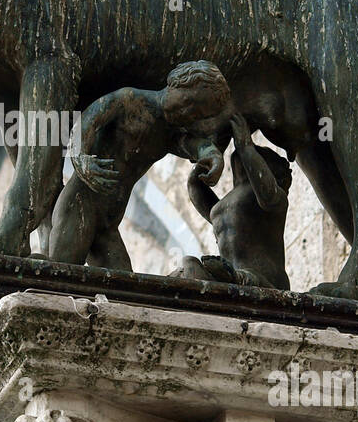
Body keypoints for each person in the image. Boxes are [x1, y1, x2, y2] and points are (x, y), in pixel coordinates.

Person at [48, 61, 235, 270]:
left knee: (123, 289)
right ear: (177, 83)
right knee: (59, 273)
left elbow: (194, 145)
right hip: (80, 206)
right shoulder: (129, 100)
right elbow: (88, 122)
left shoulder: (169, 133)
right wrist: (81, 158)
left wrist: (213, 156)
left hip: (109, 222)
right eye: (189, 102)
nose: (187, 113)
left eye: (196, 114)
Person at [185, 113, 291, 290]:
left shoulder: (274, 199)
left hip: (266, 281)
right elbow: (200, 194)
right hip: (229, 277)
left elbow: (265, 192)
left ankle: (234, 277)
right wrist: (206, 160)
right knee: (189, 264)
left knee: (244, 276)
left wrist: (246, 147)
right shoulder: (227, 204)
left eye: (262, 154)